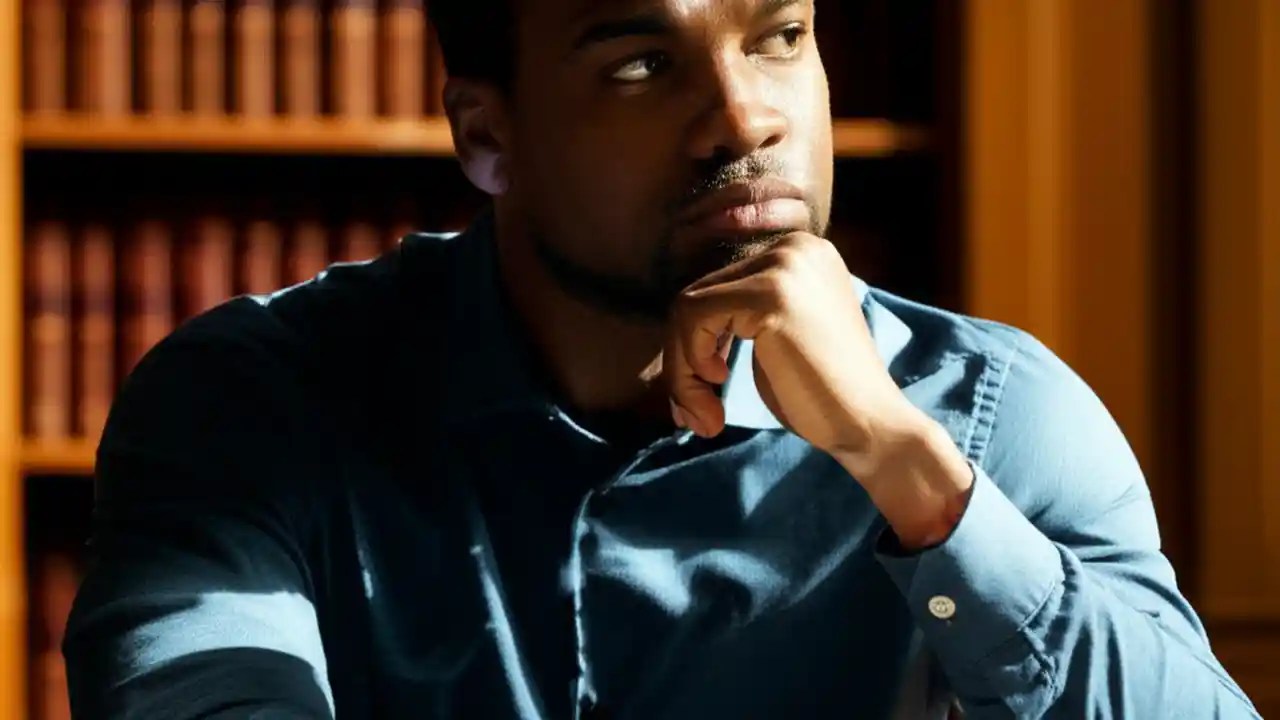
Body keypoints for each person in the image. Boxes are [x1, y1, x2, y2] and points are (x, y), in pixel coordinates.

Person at [64, 0, 1259, 718]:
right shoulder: (254, 409)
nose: (745, 121)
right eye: (642, 64)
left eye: (780, 36)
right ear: (485, 132)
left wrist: (908, 471)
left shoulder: (990, 417)